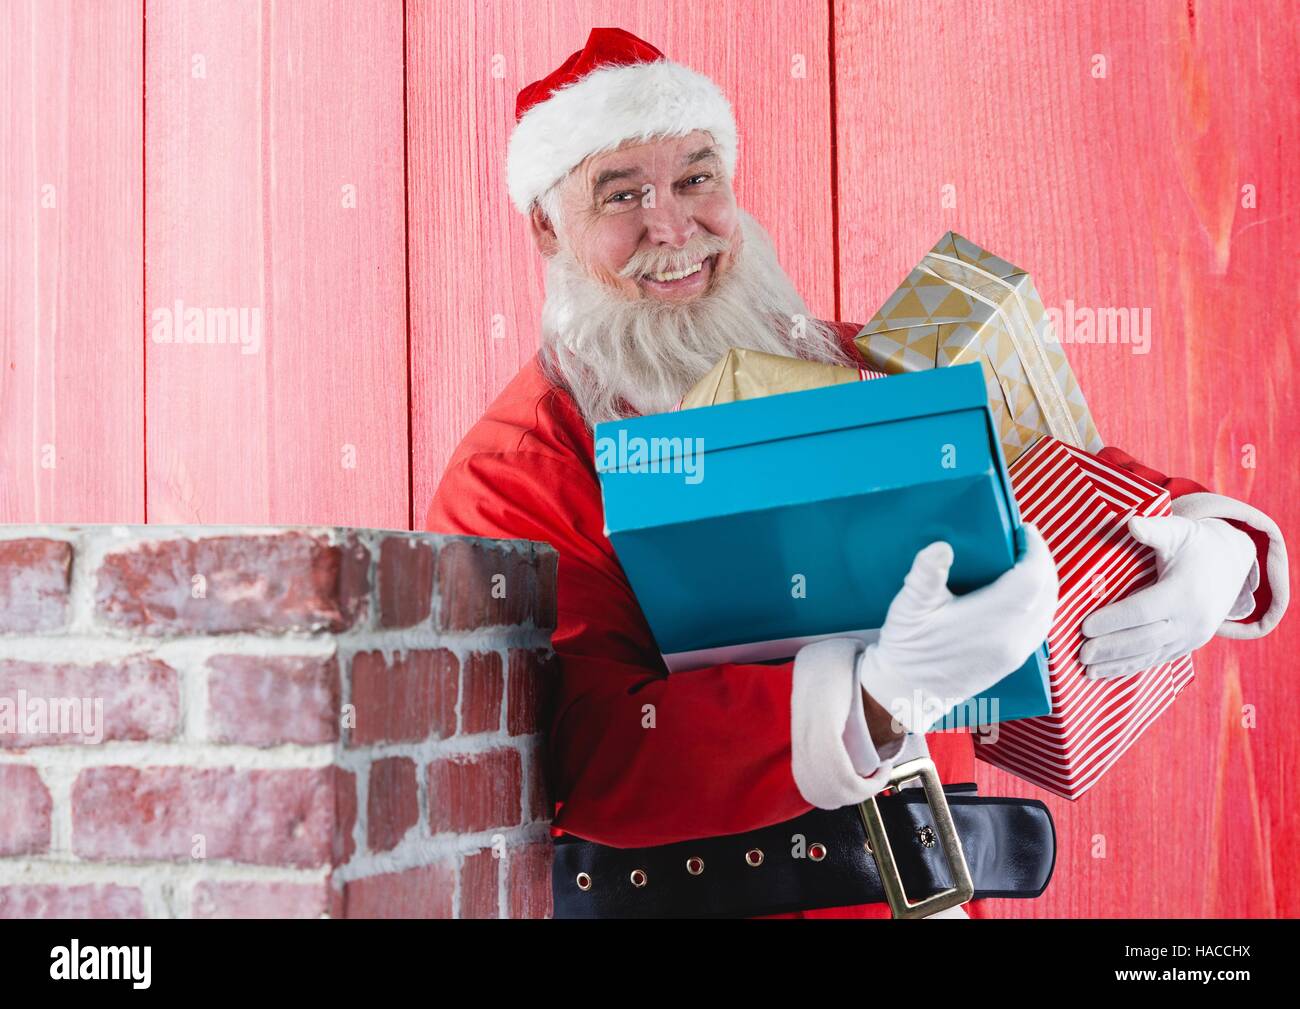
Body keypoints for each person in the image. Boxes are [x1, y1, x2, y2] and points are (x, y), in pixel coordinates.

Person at [424, 27, 1288, 919]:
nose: (672, 227)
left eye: (695, 178)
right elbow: (582, 754)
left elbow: (1050, 460)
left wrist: (1211, 539)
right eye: (622, 193)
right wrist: (874, 695)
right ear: (544, 224)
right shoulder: (517, 470)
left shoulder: (854, 364)